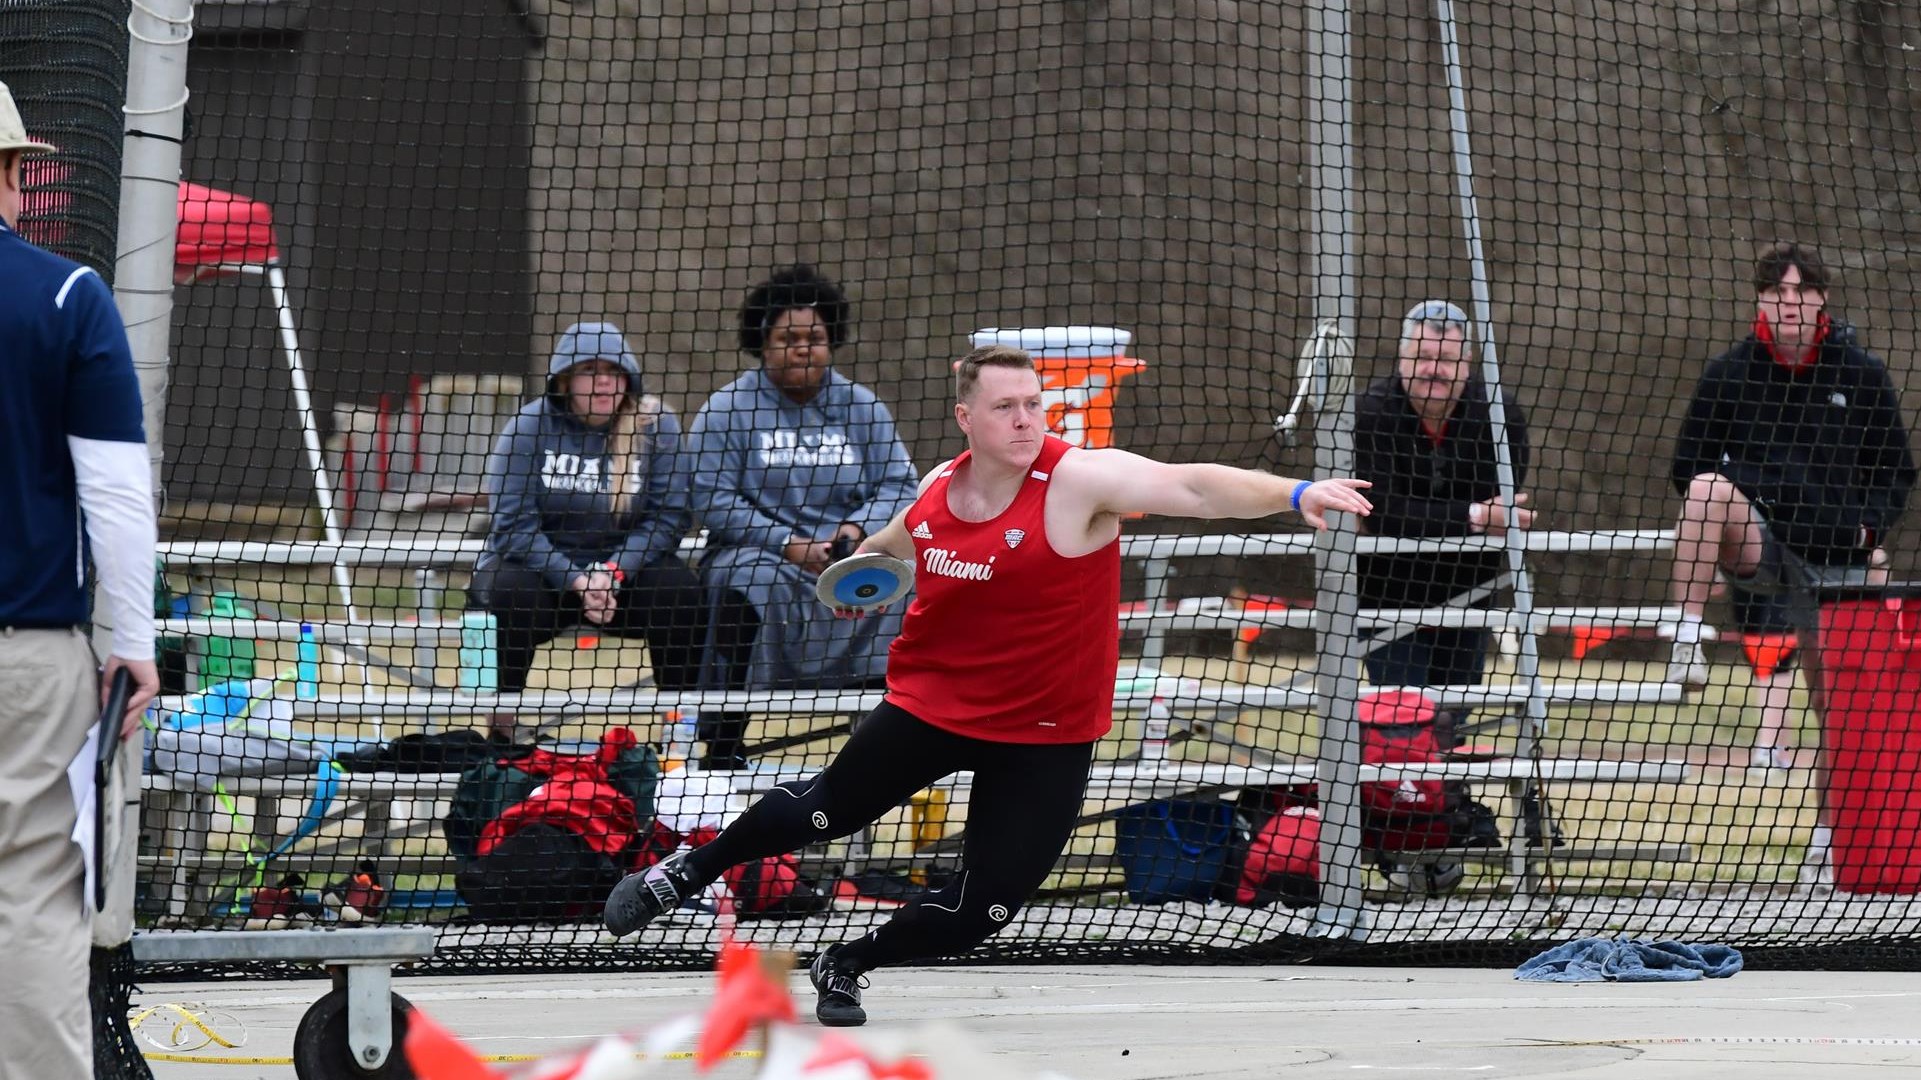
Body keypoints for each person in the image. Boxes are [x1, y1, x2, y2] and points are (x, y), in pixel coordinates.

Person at [607, 344, 1373, 1026]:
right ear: (965, 417)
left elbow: (1194, 488)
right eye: (1005, 407)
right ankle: (685, 872)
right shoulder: (941, 485)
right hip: (932, 705)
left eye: (1033, 404)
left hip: (1043, 733)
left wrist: (1295, 494)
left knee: (986, 910)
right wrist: (856, 577)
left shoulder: (1077, 482)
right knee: (821, 814)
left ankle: (850, 961)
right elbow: (889, 545)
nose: (1024, 419)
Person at [0, 81, 159, 1080]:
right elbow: (117, 496)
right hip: (29, 657)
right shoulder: (66, 298)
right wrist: (133, 644)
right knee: (34, 898)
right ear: (14, 172)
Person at [1665, 244, 1915, 749]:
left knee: (1838, 714)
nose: (1790, 302)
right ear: (1761, 300)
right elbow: (1688, 468)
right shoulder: (1728, 373)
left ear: (1822, 298)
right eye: (1777, 291)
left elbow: (1895, 471)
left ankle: (1831, 828)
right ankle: (1686, 639)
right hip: (1762, 545)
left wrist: (1868, 529)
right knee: (1708, 489)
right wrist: (1708, 549)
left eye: (1801, 291)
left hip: (1835, 553)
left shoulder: (1862, 374)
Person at [686, 265, 919, 767]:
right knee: (749, 579)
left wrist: (856, 532)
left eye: (813, 337)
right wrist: (788, 543)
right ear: (762, 343)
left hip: (852, 556)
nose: (802, 348)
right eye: (787, 337)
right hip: (760, 557)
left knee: (912, 578)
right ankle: (724, 739)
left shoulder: (863, 408)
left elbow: (901, 484)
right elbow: (709, 496)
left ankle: (883, 728)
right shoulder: (727, 409)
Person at [472, 322, 721, 729]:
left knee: (679, 593)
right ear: (566, 380)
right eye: (590, 370)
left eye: (614, 371)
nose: (604, 382)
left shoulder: (657, 426)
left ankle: (680, 742)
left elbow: (669, 517)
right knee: (504, 593)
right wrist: (576, 580)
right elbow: (512, 527)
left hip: (624, 580)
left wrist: (612, 572)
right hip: (542, 579)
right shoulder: (527, 427)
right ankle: (501, 743)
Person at [1352, 299, 1532, 742]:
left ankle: (1445, 810)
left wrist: (1457, 519)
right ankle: (1398, 806)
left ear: (1467, 363)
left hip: (1469, 592)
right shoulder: (1368, 413)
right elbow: (1382, 513)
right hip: (1384, 596)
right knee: (1403, 727)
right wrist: (1472, 515)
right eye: (1423, 358)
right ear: (1402, 358)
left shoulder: (1500, 414)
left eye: (1447, 359)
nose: (1435, 370)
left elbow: (1504, 513)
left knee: (1450, 729)